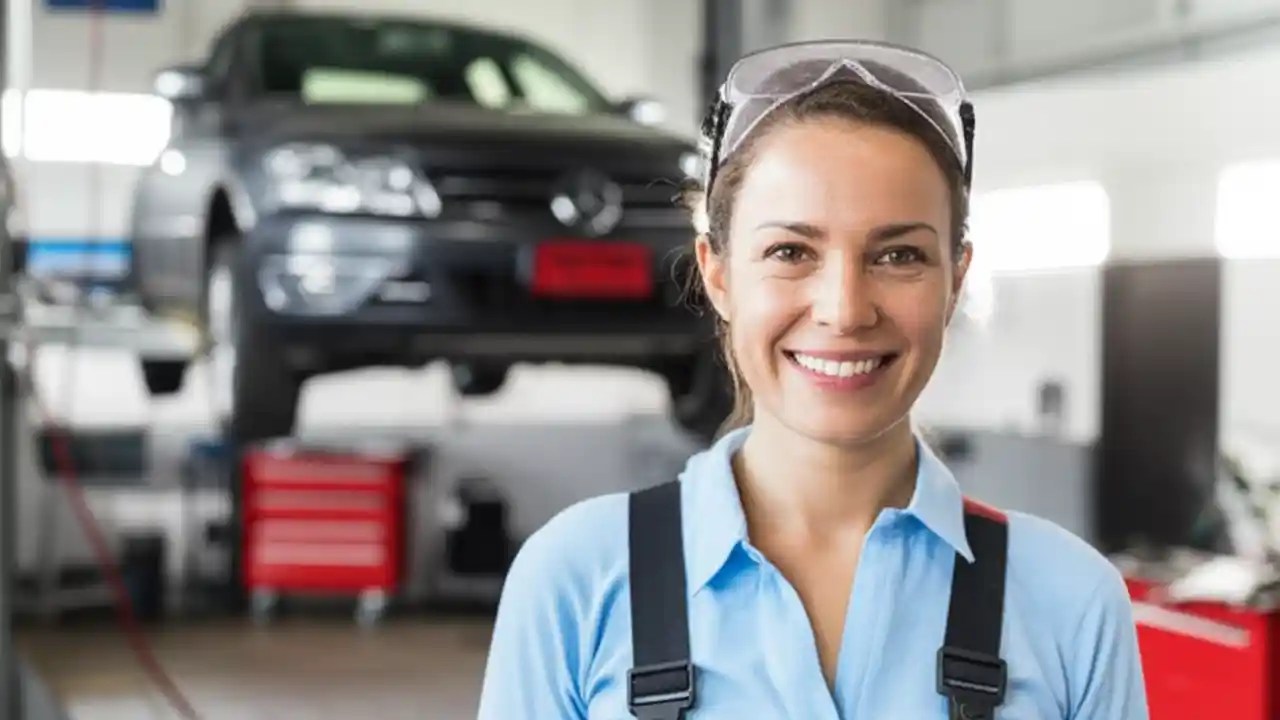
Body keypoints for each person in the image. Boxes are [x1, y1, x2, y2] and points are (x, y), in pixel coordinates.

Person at [477, 40, 1148, 719]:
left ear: (956, 280)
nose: (845, 310)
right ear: (718, 273)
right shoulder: (577, 580)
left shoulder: (1070, 603)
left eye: (899, 255)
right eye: (790, 251)